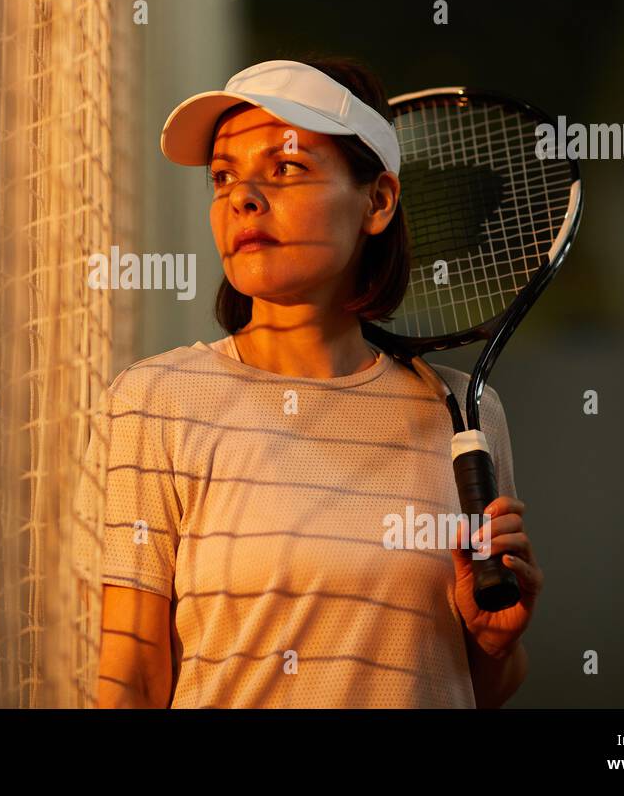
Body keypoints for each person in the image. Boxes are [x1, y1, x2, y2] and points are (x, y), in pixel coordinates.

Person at [80, 57, 544, 708]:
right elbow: (129, 677)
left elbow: (476, 682)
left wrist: (496, 643)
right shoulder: (155, 402)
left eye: (286, 167)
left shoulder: (464, 412)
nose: (242, 196)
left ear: (377, 201)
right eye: (222, 176)